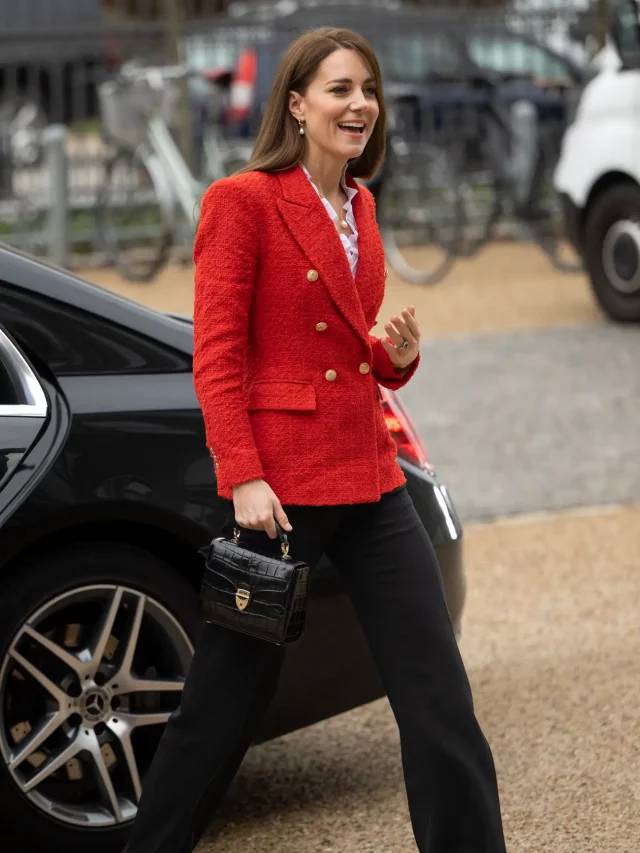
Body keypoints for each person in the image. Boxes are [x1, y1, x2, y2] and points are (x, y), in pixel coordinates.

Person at [122, 27, 508, 853]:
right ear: (296, 105)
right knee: (221, 706)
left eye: (368, 89)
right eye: (340, 89)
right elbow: (218, 354)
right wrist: (242, 472)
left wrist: (392, 356)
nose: (360, 104)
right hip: (281, 494)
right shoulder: (242, 202)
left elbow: (339, 347)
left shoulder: (360, 204)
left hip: (371, 478)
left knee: (439, 696)